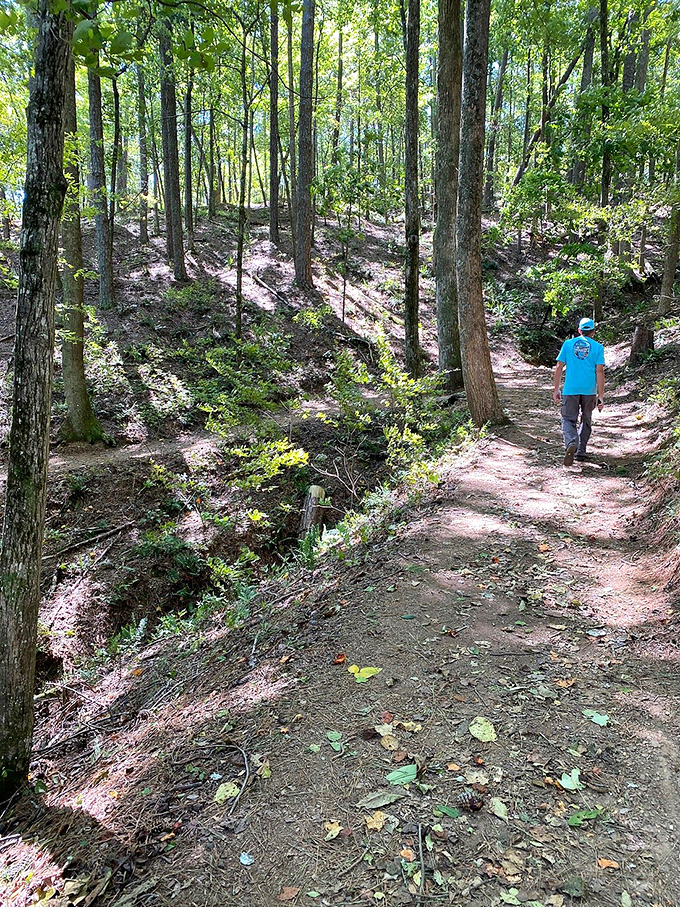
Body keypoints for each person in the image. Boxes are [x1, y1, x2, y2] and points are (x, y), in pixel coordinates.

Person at [553, 317, 605, 466]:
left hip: (571, 389)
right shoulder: (598, 347)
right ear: (593, 332)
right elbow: (600, 371)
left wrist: (556, 388)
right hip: (589, 390)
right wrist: (600, 395)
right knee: (586, 419)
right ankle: (581, 451)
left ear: (579, 330)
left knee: (568, 419)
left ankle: (571, 442)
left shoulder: (568, 344)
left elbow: (559, 367)